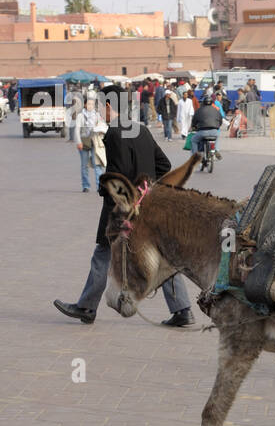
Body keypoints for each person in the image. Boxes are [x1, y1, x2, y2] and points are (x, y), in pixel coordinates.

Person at [53, 85, 195, 327]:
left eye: (99, 106)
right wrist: (147, 188)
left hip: (121, 211)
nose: (98, 111)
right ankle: (182, 309)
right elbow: (164, 164)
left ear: (109, 106)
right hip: (148, 207)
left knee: (103, 255)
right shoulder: (141, 130)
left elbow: (116, 175)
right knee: (163, 256)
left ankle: (86, 307)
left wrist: (105, 190)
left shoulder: (115, 134)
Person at [73, 90, 106, 192]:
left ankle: (99, 186)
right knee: (84, 165)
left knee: (97, 165)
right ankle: (86, 185)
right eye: (89, 104)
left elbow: (103, 126)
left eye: (92, 104)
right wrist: (78, 142)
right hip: (83, 142)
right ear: (85, 105)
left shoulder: (97, 115)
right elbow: (77, 129)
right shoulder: (80, 116)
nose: (90, 106)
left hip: (95, 142)